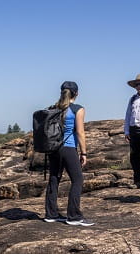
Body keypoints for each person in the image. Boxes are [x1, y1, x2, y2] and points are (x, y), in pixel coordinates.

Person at [43, 81, 94, 226]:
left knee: (54, 179)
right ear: (76, 93)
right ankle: (74, 216)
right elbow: (80, 132)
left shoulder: (53, 108)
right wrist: (84, 153)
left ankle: (51, 214)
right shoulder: (78, 109)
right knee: (77, 180)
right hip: (68, 147)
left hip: (53, 150)